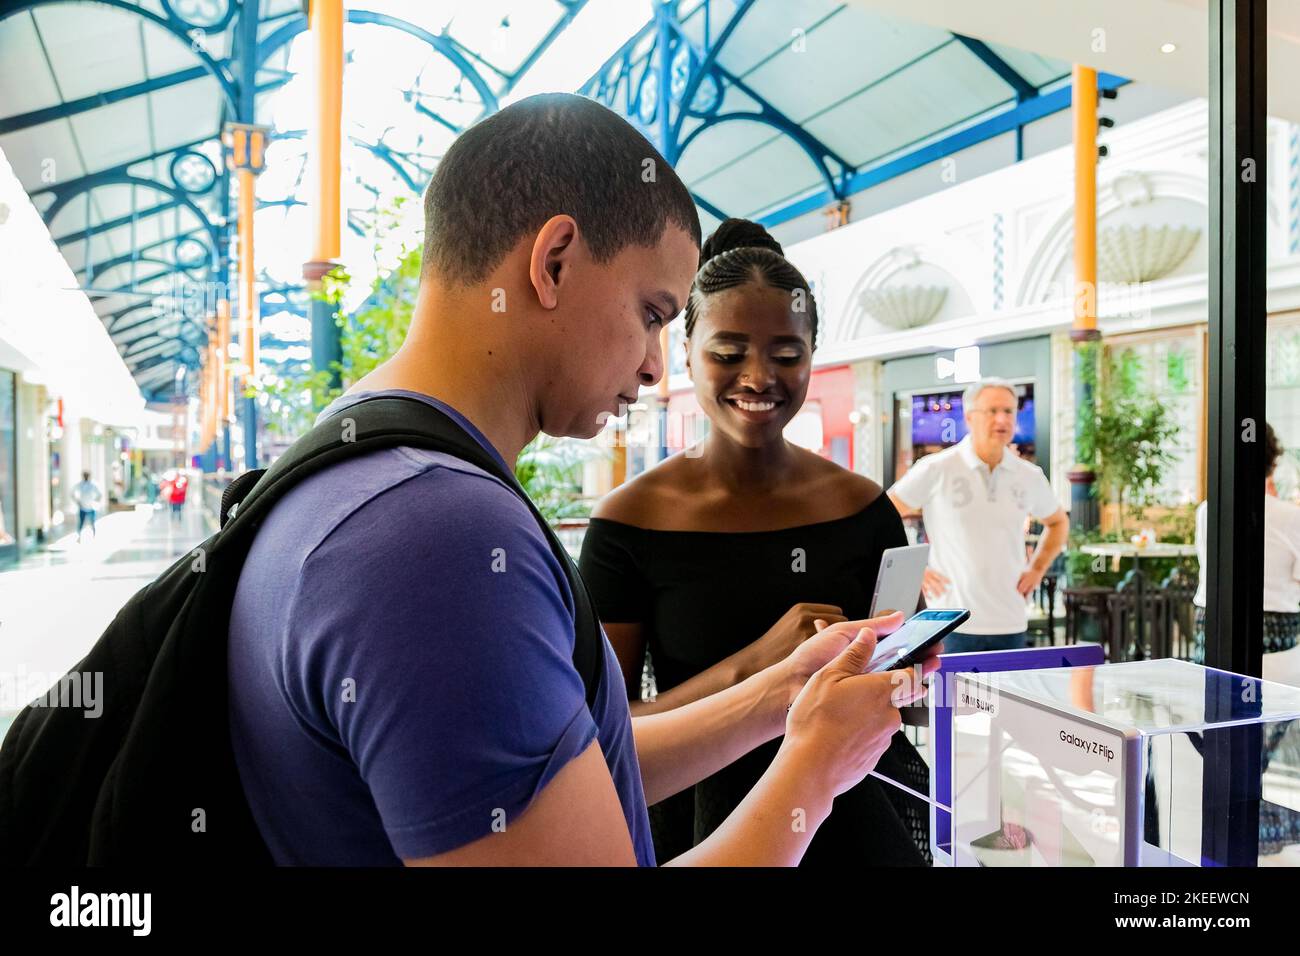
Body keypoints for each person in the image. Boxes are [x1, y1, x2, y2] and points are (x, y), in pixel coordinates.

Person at [226, 94, 939, 867]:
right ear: (554, 260)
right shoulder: (436, 541)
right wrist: (817, 767)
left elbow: (576, 765)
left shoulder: (365, 469)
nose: (654, 364)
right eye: (653, 312)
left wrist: (780, 696)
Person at [579, 218, 933, 865]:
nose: (758, 376)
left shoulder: (863, 507)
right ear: (686, 352)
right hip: (699, 827)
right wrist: (757, 667)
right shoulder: (627, 524)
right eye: (729, 351)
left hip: (852, 819)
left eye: (786, 354)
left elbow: (904, 705)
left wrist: (909, 673)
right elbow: (602, 731)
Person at [888, 378, 1069, 653]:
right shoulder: (937, 468)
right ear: (970, 417)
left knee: (1009, 698)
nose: (1002, 419)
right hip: (949, 620)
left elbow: (1058, 522)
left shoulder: (1028, 475)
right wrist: (915, 570)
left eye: (1009, 411)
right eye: (992, 411)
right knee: (946, 697)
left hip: (1010, 620)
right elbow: (884, 516)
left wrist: (1037, 569)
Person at [1193, 422, 1300, 675]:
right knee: (1274, 706)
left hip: (1212, 618)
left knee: (1214, 702)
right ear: (1272, 462)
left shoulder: (1208, 509)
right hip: (1274, 622)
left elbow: (1206, 565)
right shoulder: (1292, 516)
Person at [72, 471, 102, 543]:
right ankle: (79, 537)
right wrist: (78, 502)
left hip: (91, 507)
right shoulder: (80, 485)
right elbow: (72, 493)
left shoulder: (92, 485)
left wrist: (95, 501)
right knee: (81, 524)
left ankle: (94, 537)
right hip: (82, 507)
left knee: (93, 523)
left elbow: (99, 494)